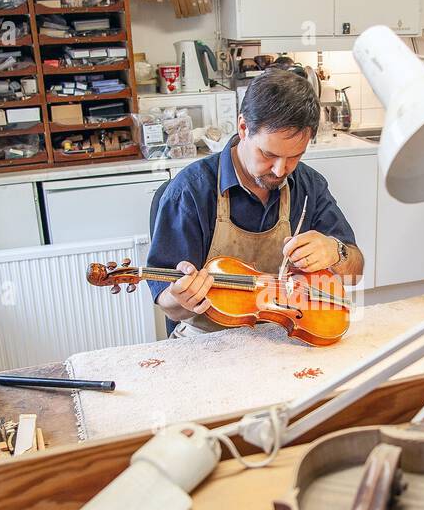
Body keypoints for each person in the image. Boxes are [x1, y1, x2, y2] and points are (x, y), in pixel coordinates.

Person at [147, 68, 364, 333]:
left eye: (295, 156)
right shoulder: (191, 191)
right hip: (210, 341)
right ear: (243, 128)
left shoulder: (309, 186)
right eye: (268, 154)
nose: (280, 170)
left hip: (285, 334)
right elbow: (167, 304)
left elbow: (356, 271)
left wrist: (335, 251)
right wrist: (182, 299)